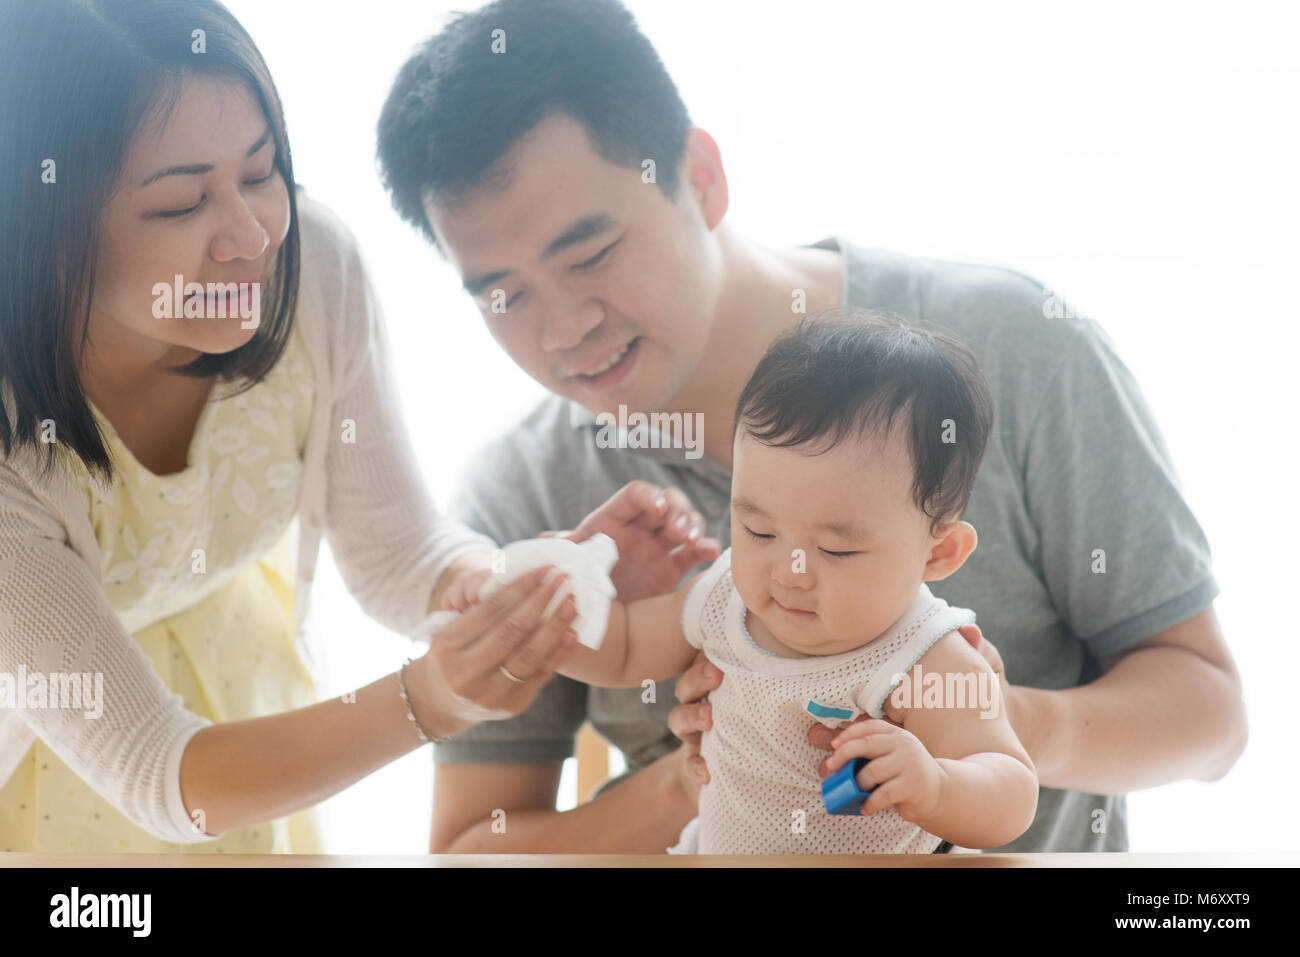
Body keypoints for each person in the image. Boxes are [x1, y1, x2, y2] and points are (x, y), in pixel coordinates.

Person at [376, 0, 1246, 854]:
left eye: (592, 254)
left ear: (702, 179)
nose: (563, 330)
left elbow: (1211, 719)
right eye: (504, 293)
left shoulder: (1016, 347)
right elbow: (471, 849)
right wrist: (704, 769)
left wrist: (982, 725)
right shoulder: (524, 491)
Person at [0, 0, 695, 854]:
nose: (253, 236)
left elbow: (397, 551)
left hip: (242, 701)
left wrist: (528, 585)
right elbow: (159, 769)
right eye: (182, 203)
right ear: (43, 226)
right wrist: (431, 698)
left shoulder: (309, 267)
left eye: (261, 173)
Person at [456, 311, 1040, 853]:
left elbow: (1011, 790)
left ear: (940, 552)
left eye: (836, 549)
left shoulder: (925, 659)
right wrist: (553, 596)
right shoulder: (724, 600)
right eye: (758, 531)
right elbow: (625, 648)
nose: (790, 573)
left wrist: (935, 784)